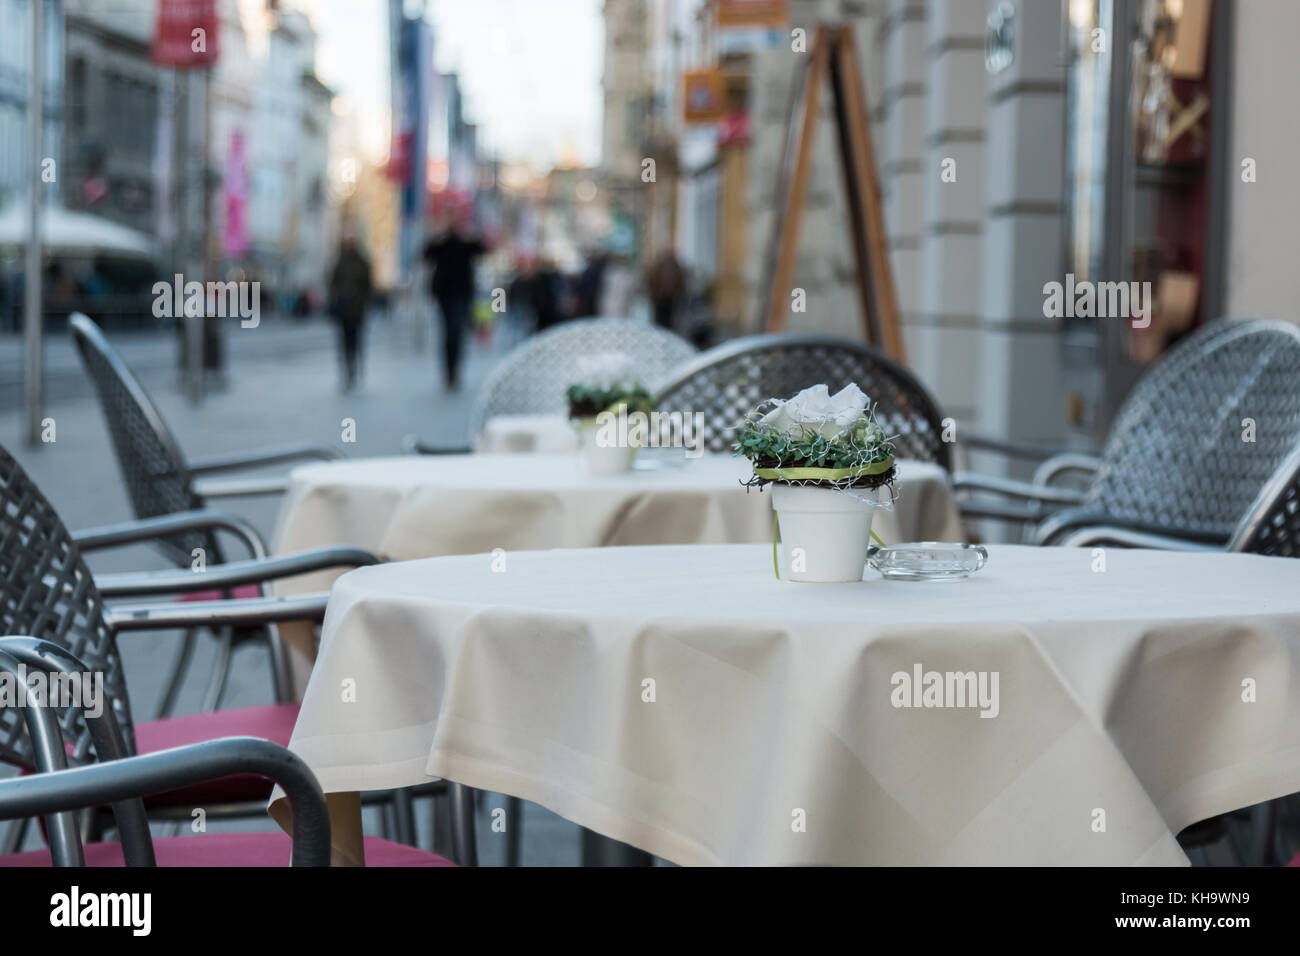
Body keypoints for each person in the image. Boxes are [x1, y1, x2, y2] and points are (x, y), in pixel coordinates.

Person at [423, 218, 487, 390]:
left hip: (461, 295)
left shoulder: (465, 244)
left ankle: (453, 371)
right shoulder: (441, 244)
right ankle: (450, 371)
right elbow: (426, 254)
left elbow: (482, 249)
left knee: (455, 332)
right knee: (450, 334)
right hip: (445, 296)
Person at [328, 233, 373, 391]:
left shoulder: (362, 263)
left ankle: (354, 369)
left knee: (355, 340)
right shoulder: (340, 262)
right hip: (343, 310)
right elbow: (332, 283)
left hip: (357, 309)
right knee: (344, 341)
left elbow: (369, 287)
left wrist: (359, 297)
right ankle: (347, 371)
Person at [645, 248, 686, 331]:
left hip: (661, 298)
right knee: (669, 320)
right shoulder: (674, 266)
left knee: (661, 320)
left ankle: (662, 332)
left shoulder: (659, 266)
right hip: (668, 298)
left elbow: (651, 281)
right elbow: (681, 282)